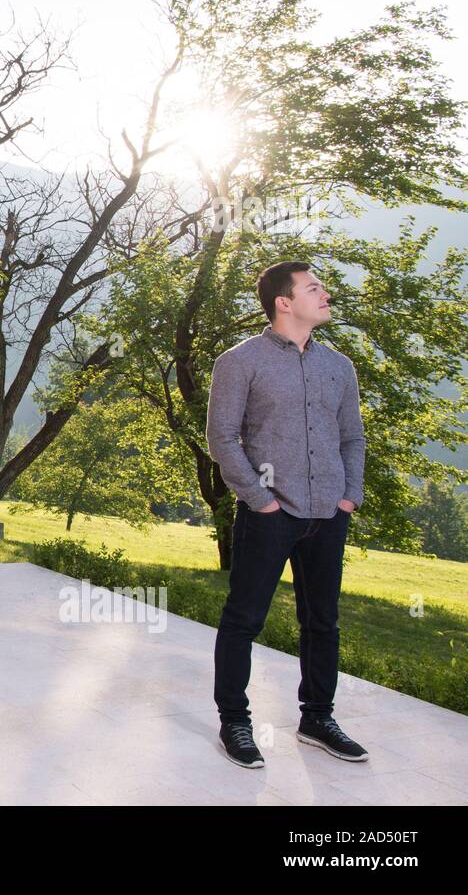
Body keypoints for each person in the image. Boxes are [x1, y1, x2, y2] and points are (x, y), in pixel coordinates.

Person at [206, 261, 369, 769]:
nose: (325, 295)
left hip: (329, 513)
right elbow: (222, 439)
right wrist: (262, 500)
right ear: (283, 301)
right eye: (314, 288)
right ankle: (234, 721)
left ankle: (317, 718)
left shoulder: (339, 366)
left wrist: (349, 496)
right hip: (269, 514)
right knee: (243, 621)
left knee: (323, 622)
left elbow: (351, 437)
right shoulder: (240, 362)